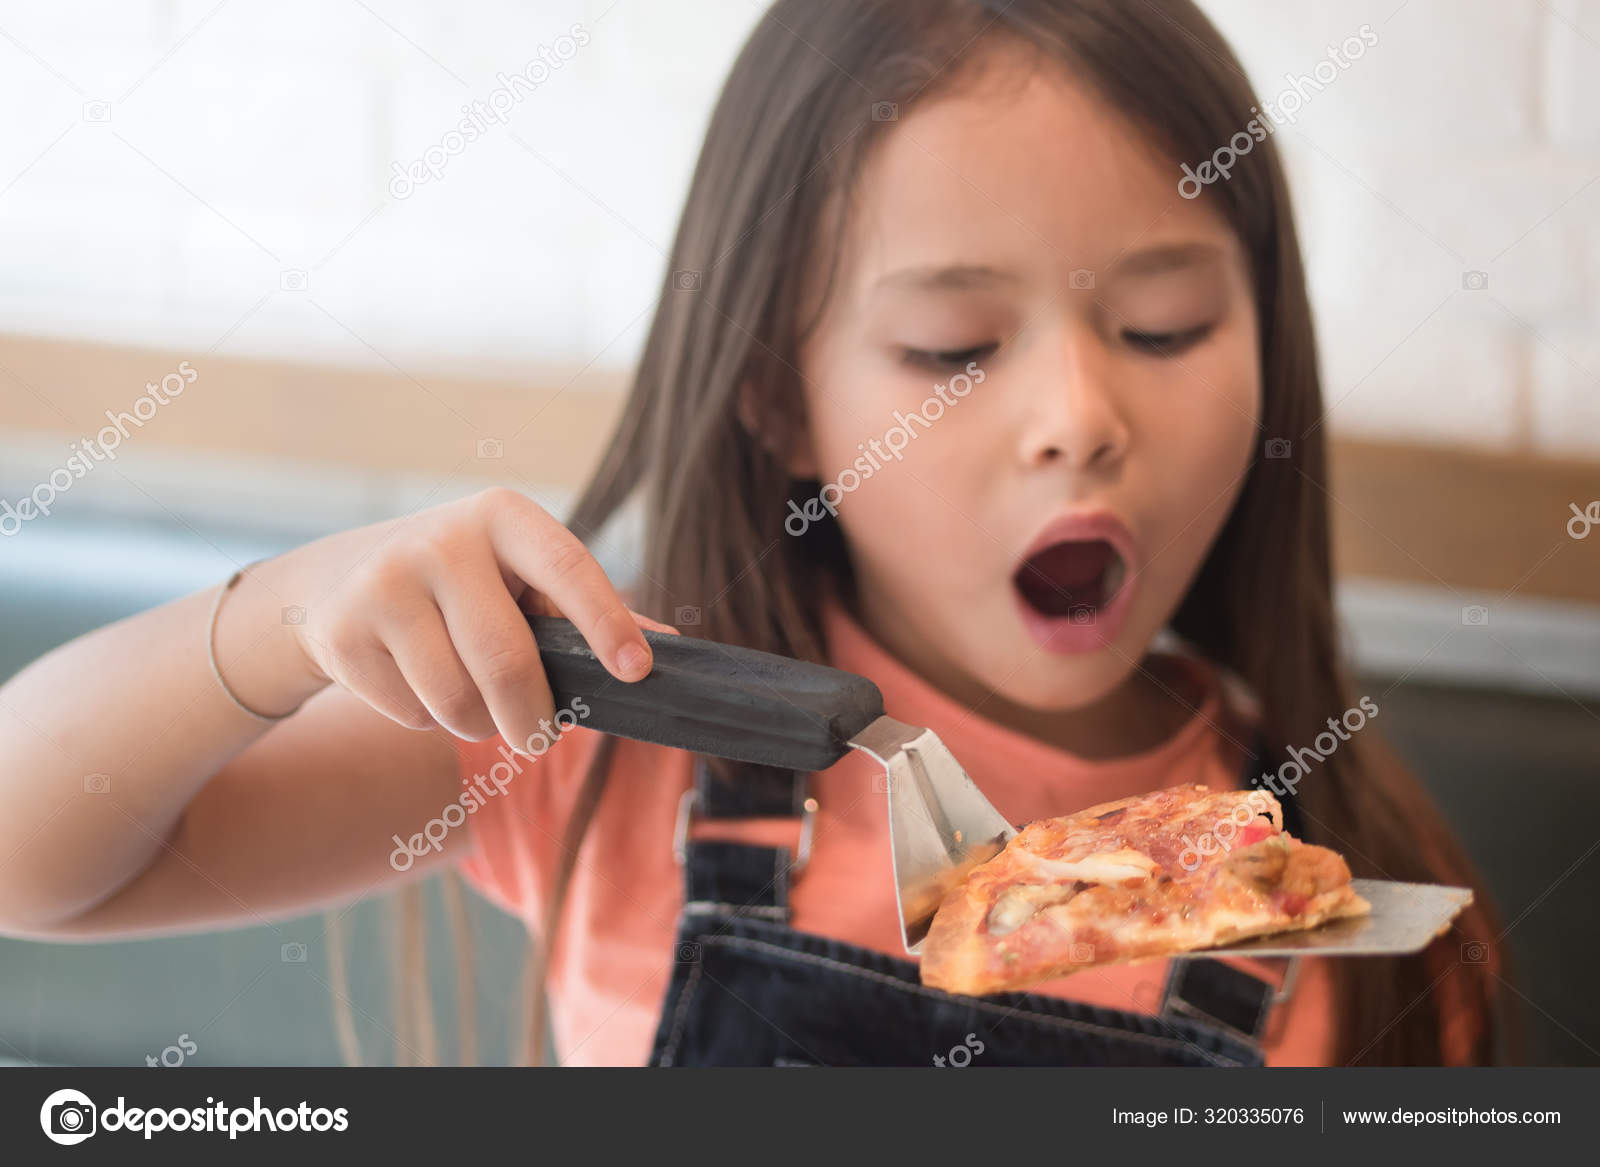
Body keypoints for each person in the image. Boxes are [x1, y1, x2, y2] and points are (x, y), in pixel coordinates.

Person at [0, 0, 1504, 1067]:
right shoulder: (603, 730)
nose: (1075, 416)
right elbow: (32, 859)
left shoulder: (1346, 894)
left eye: (1164, 326)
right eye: (952, 350)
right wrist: (274, 622)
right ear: (779, 398)